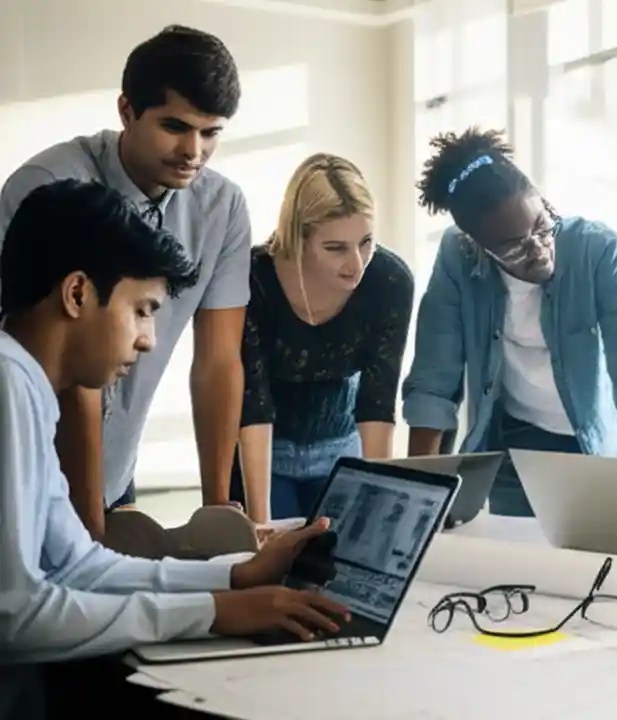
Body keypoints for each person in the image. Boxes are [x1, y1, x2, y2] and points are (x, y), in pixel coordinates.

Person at [0, 180, 348, 699]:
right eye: (142, 309)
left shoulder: (25, 384)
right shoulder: (8, 381)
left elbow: (78, 565)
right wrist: (214, 613)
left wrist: (236, 577)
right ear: (77, 294)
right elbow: (14, 613)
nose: (148, 339)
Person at [0, 25, 250, 543]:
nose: (194, 151)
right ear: (126, 111)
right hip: (29, 469)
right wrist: (90, 533)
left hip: (117, 469)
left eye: (211, 133)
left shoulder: (223, 208)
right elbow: (73, 372)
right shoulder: (51, 185)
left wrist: (220, 521)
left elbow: (218, 363)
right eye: (175, 126)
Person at [402, 127, 617, 517]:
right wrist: (418, 496)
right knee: (521, 568)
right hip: (514, 449)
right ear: (479, 245)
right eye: (514, 246)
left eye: (543, 225)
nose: (540, 250)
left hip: (592, 450)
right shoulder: (457, 257)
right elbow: (433, 379)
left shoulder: (600, 253)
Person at [228, 153, 414, 523]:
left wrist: (379, 507)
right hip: (264, 459)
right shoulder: (252, 279)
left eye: (366, 242)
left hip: (344, 454)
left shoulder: (389, 280)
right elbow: (253, 408)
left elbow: (377, 404)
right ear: (299, 236)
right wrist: (261, 527)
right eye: (336, 248)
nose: (356, 264)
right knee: (276, 569)